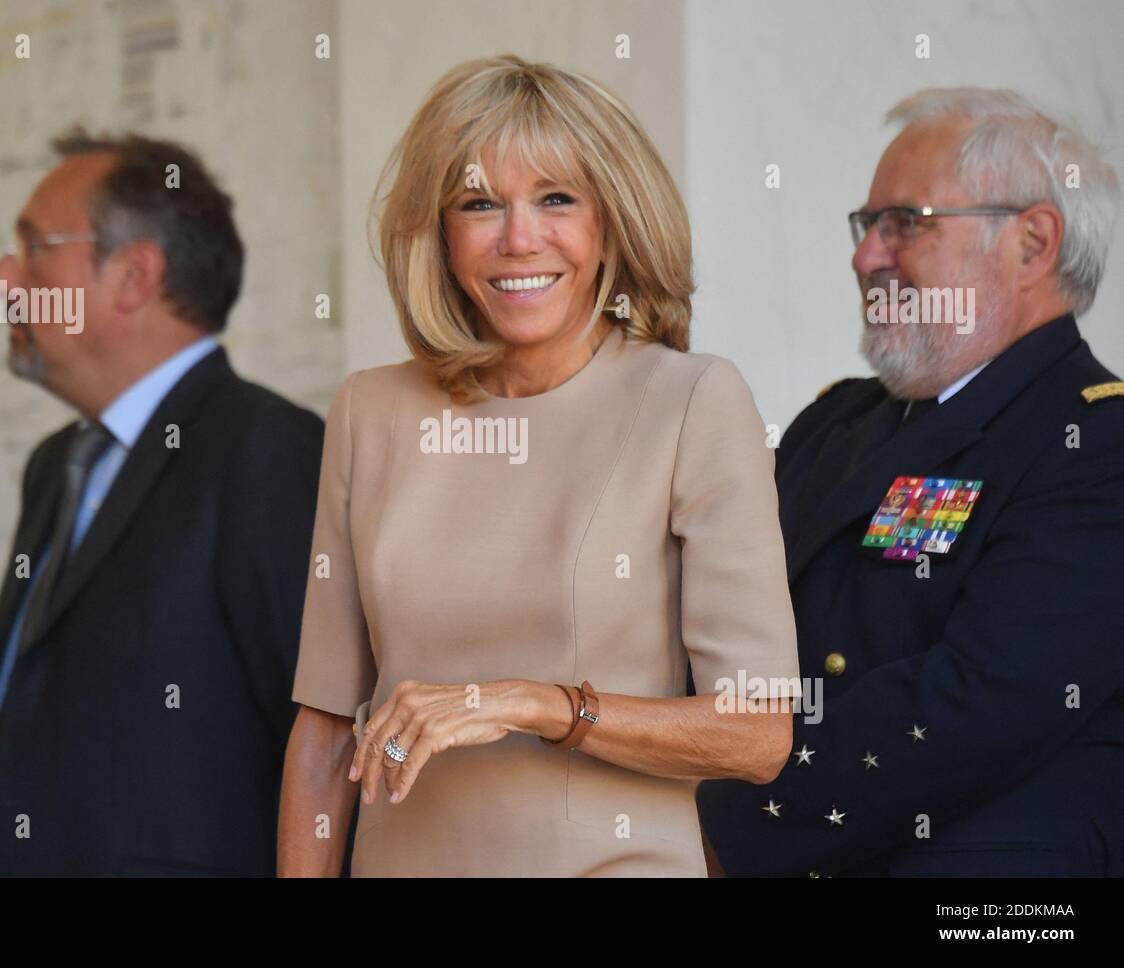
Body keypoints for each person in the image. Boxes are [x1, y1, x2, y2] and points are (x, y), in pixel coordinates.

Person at [278, 54, 801, 878]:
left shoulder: (692, 399)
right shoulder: (368, 411)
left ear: (609, 223)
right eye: (479, 204)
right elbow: (326, 725)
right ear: (440, 236)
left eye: (557, 199)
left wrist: (530, 702)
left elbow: (760, 735)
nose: (519, 239)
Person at [697, 88, 1124, 876]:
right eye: (867, 227)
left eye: (906, 223)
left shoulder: (1097, 443)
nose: (866, 257)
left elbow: (975, 708)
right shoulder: (835, 423)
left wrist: (721, 823)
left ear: (1032, 244)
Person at [0, 129, 323, 876]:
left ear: (135, 276)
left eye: (34, 247)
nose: (0, 281)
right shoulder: (57, 467)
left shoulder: (267, 452)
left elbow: (330, 750)